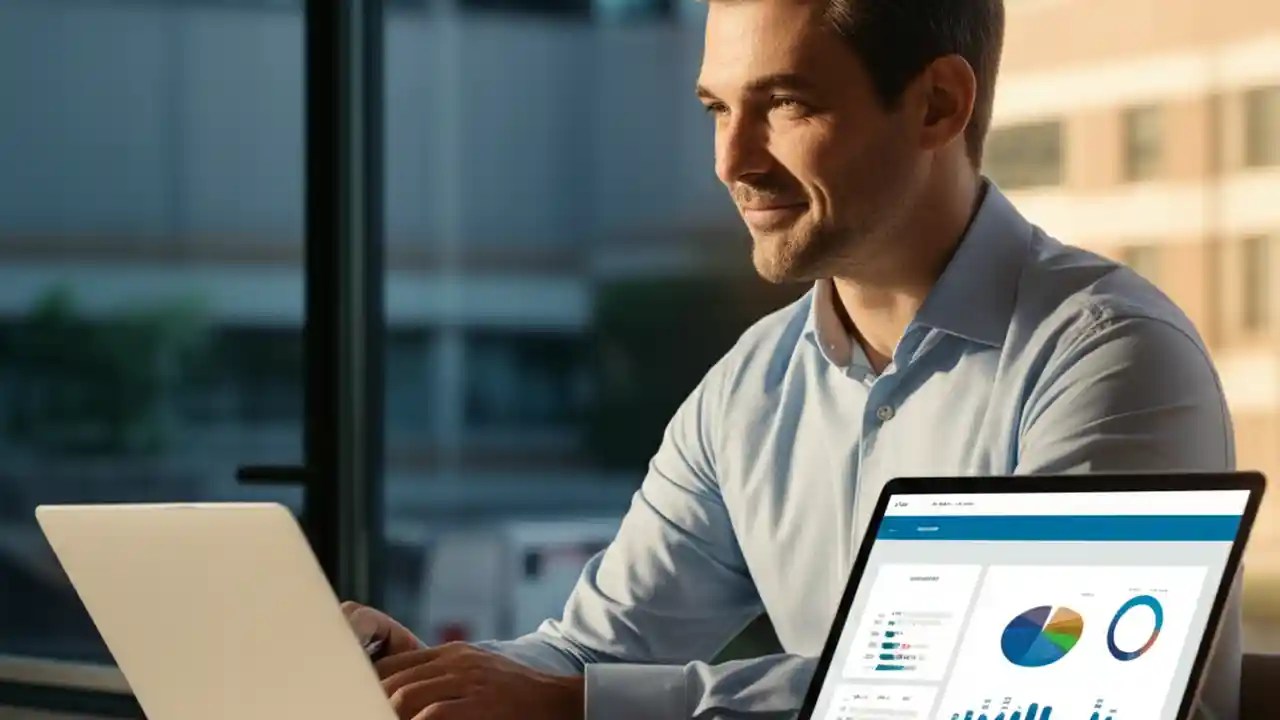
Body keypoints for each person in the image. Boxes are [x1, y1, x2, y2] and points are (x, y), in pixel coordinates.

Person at [344, 0, 1241, 717]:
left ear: (938, 104)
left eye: (787, 105)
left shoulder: (1108, 358)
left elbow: (1015, 690)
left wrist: (579, 704)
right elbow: (598, 656)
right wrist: (422, 676)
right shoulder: (749, 388)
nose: (733, 160)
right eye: (718, 109)